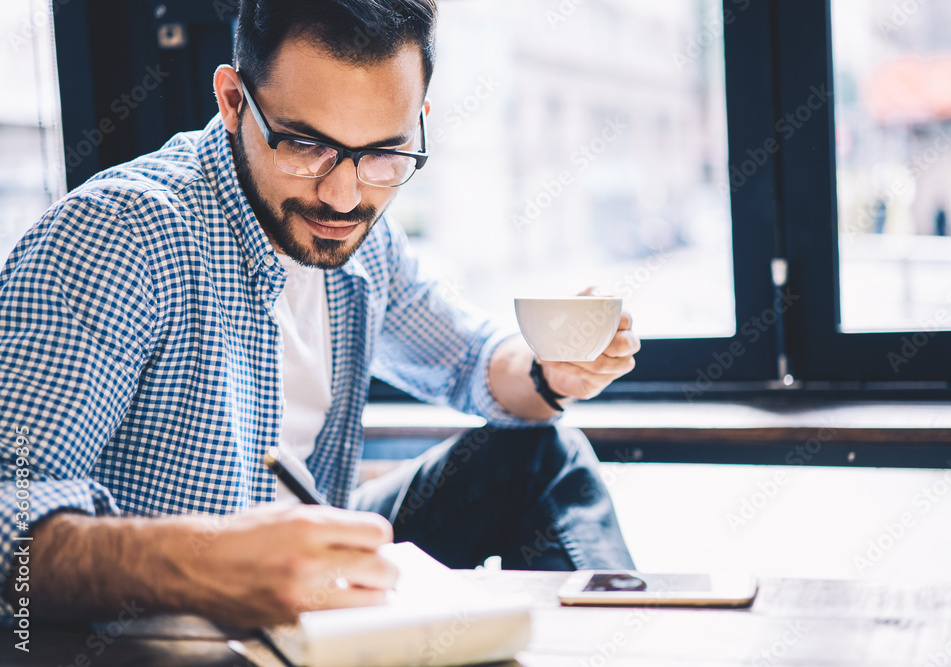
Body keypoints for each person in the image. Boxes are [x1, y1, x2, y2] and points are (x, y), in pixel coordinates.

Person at [0, 0, 639, 628]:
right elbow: (12, 511)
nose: (343, 196)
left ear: (418, 119)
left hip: (318, 592)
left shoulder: (367, 241)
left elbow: (471, 360)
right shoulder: (119, 236)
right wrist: (201, 562)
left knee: (540, 455)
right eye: (305, 146)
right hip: (170, 629)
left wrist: (553, 370)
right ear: (231, 101)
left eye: (384, 151)